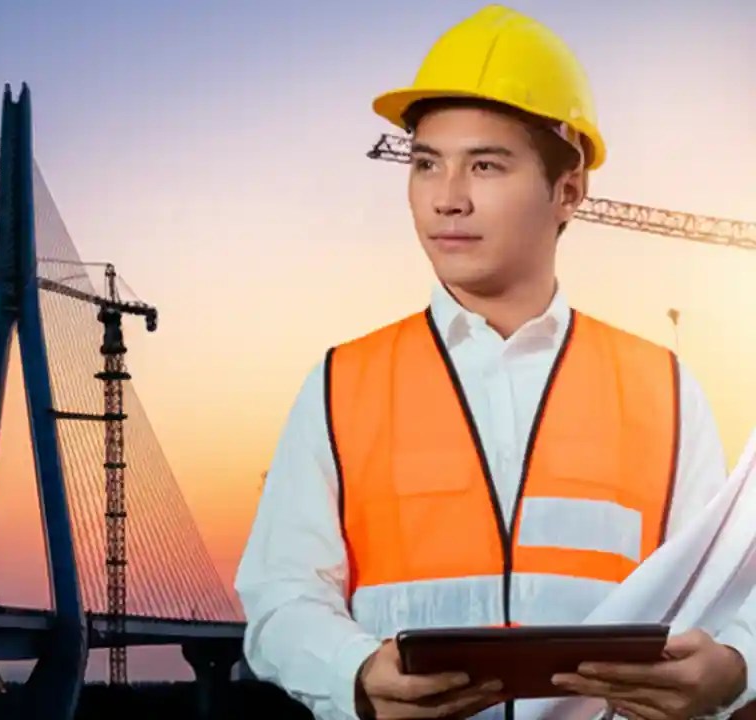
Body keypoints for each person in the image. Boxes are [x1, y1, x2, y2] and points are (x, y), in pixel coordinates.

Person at [233, 5, 756, 719]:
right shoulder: (339, 384)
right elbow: (280, 596)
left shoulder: (665, 391)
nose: (447, 199)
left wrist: (737, 666)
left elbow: (726, 594)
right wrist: (354, 673)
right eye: (426, 164)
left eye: (485, 165)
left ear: (568, 191)